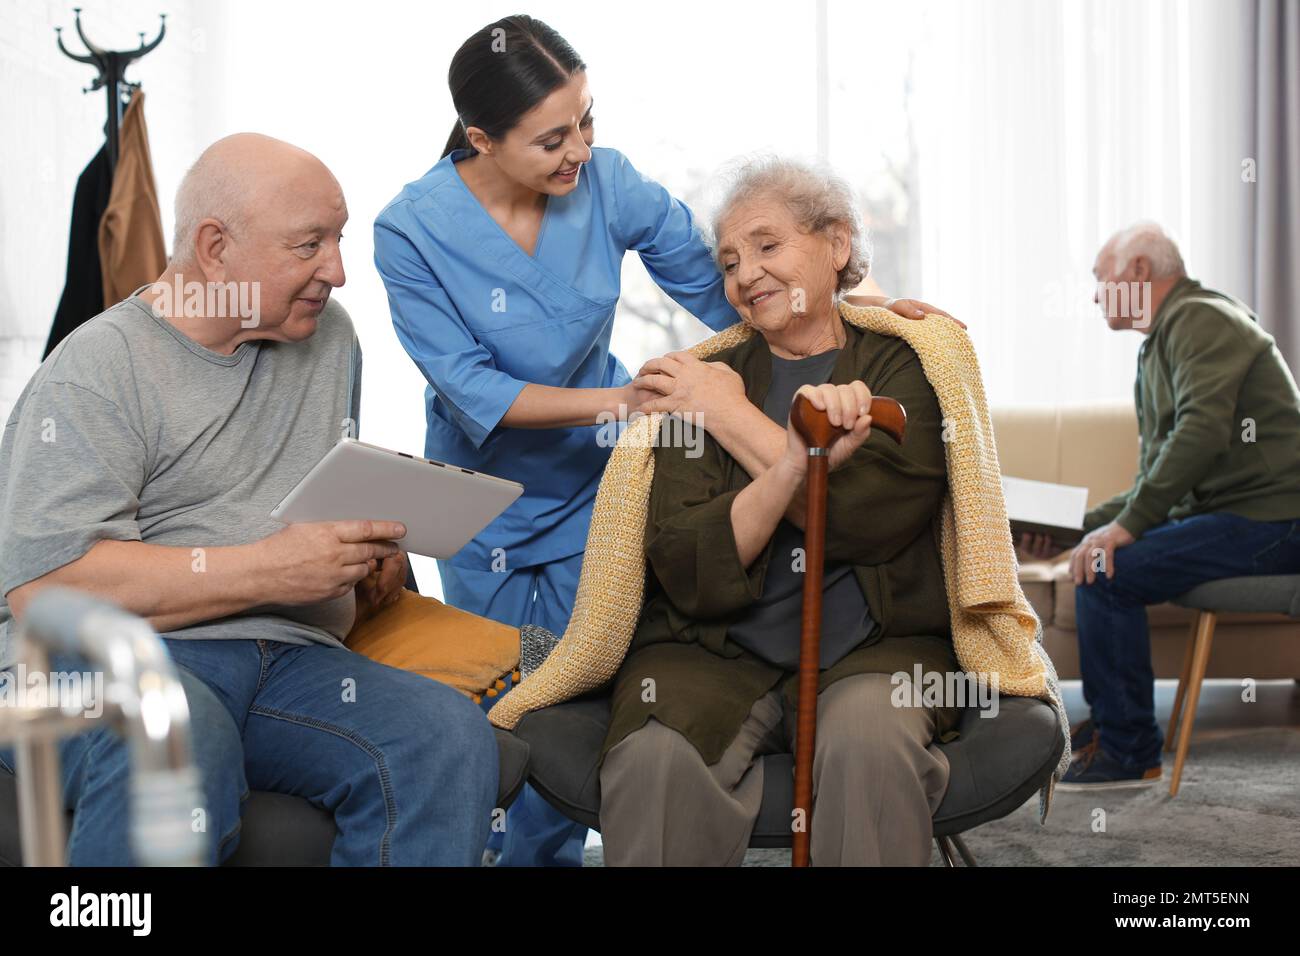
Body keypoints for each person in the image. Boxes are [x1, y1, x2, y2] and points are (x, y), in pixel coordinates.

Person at [373, 14, 950, 866]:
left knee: (580, 690)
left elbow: (735, 286)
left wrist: (861, 309)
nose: (580, 150)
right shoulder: (410, 228)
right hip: (487, 493)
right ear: (480, 138)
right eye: (551, 139)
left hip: (595, 486)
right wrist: (634, 401)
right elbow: (471, 388)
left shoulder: (609, 182)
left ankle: (557, 855)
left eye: (587, 119)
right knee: (500, 696)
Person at [0, 133, 498, 865]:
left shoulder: (329, 339)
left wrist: (366, 561)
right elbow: (43, 591)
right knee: (175, 728)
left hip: (291, 659)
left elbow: (300, 496)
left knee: (445, 736)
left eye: (339, 239)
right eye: (310, 245)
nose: (338, 270)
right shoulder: (97, 370)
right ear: (214, 248)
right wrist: (269, 570)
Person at [595, 157, 960, 866]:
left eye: (767, 245)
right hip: (718, 648)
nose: (745, 274)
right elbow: (685, 564)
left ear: (838, 245)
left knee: (870, 746)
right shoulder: (702, 377)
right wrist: (776, 445)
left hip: (875, 647)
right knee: (655, 760)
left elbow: (866, 521)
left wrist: (729, 416)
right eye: (730, 261)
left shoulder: (907, 363)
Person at [1026, 222, 1300, 788]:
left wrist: (1121, 532)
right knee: (1096, 556)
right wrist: (1070, 530)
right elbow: (1155, 478)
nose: (1096, 294)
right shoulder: (1162, 345)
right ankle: (1110, 726)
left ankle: (1128, 751)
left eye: (1100, 278)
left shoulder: (1202, 320)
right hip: (1238, 517)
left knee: (1107, 571)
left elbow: (1200, 434)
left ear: (1140, 271)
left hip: (1275, 518)